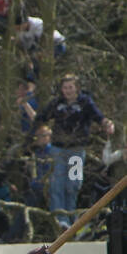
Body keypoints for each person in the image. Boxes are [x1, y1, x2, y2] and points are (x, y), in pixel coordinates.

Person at [36, 75, 115, 228]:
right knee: (57, 184)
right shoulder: (57, 103)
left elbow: (98, 117)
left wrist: (107, 124)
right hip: (58, 149)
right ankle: (60, 219)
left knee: (73, 184)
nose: (67, 91)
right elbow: (42, 117)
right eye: (65, 88)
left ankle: (70, 216)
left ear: (76, 88)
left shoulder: (85, 102)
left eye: (70, 87)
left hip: (76, 150)